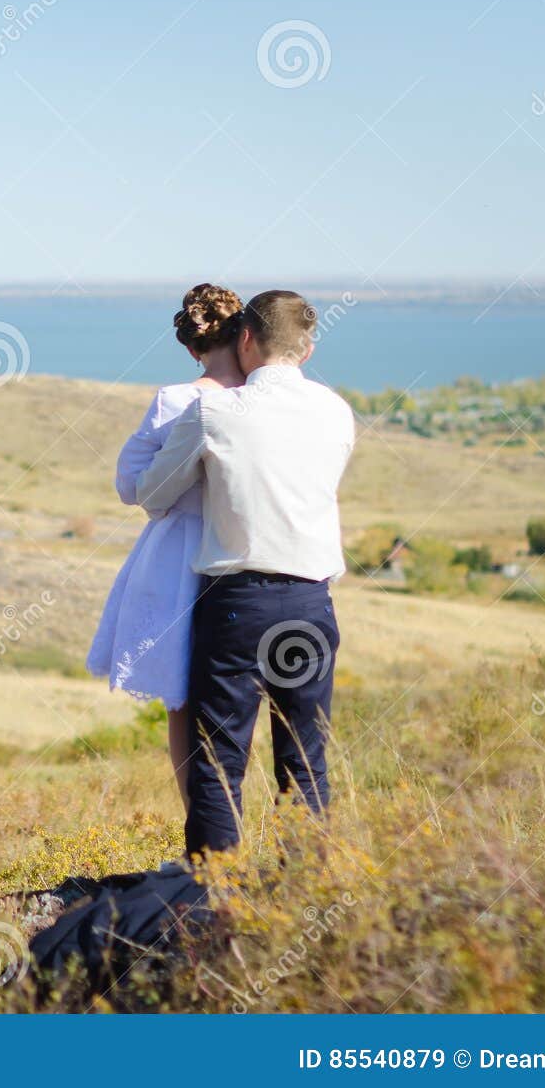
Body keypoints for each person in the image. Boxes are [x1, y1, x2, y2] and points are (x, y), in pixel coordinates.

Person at [134, 290, 355, 857]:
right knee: (305, 761)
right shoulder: (336, 410)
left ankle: (215, 897)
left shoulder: (214, 412)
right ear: (306, 350)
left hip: (237, 605)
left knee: (218, 762)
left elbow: (152, 493)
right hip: (311, 603)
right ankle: (301, 898)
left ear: (247, 339)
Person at [86, 284, 246, 804]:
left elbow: (130, 485)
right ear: (244, 337)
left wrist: (167, 487)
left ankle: (197, 825)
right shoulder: (256, 400)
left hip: (176, 553)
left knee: (182, 699)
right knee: (238, 698)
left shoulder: (175, 399)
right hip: (241, 546)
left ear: (190, 345)